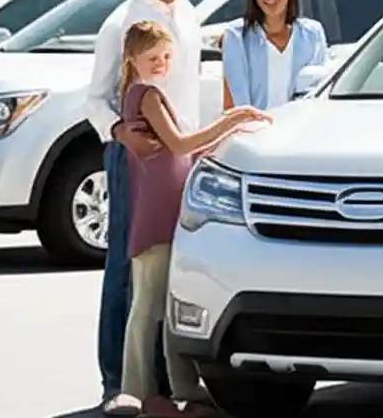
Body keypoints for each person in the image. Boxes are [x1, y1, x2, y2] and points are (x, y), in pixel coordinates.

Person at [106, 21, 270, 418]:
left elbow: (184, 154)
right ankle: (135, 388)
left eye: (165, 57)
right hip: (155, 213)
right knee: (147, 304)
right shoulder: (144, 95)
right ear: (133, 59)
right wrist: (229, 120)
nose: (161, 64)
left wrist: (227, 137)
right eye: (152, 58)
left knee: (166, 303)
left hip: (170, 208)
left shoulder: (148, 94)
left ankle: (182, 386)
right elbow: (180, 144)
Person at [85, 0, 200, 415]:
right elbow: (94, 97)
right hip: (133, 158)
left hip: (180, 156)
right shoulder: (123, 22)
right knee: (125, 267)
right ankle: (118, 383)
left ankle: (160, 383)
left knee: (167, 270)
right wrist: (117, 132)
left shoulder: (189, 15)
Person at [221, 0, 330, 110]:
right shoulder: (236, 36)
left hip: (301, 129)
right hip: (254, 129)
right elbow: (236, 104)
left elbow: (319, 91)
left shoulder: (312, 34)